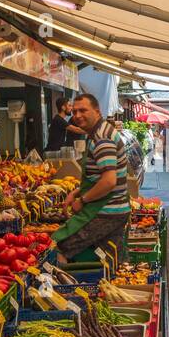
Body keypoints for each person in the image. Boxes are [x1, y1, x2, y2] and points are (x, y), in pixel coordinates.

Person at [51, 94, 131, 264]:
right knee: (110, 257)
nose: (77, 115)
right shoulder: (98, 132)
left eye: (83, 110)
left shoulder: (102, 138)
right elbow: (100, 176)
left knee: (58, 247)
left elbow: (109, 181)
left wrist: (83, 199)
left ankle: (60, 287)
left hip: (105, 211)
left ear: (97, 111)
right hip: (114, 209)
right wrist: (77, 191)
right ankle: (110, 285)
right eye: (74, 111)